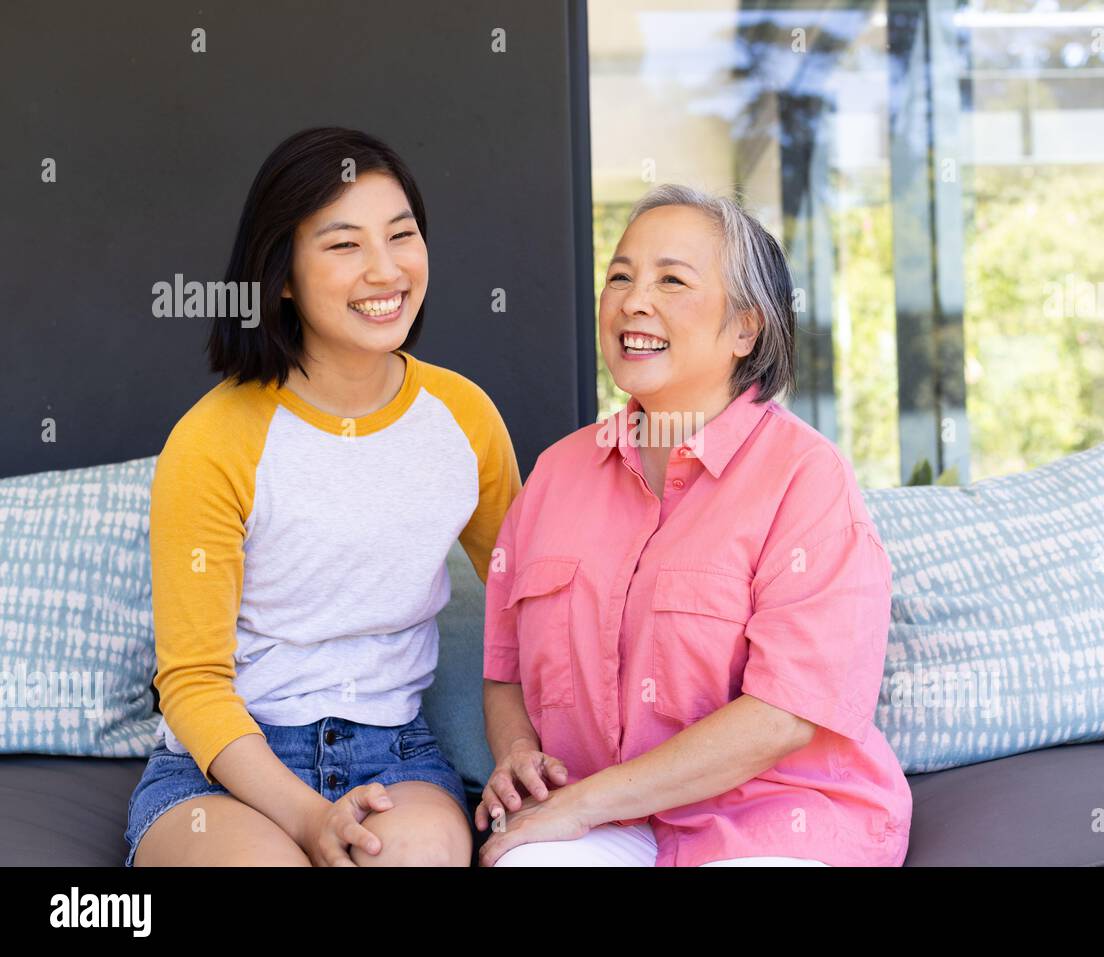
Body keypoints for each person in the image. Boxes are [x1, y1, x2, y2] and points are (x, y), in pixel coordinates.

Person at [477, 184, 911, 867]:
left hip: (775, 816)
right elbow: (503, 670)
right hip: (606, 816)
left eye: (671, 280)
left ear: (746, 328)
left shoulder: (806, 477)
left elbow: (784, 713)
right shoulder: (557, 475)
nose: (633, 299)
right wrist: (518, 757)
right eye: (620, 276)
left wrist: (587, 802)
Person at [124, 127, 519, 866]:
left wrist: (527, 747)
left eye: (401, 236)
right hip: (227, 767)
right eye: (344, 245)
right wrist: (307, 818)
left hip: (395, 755)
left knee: (421, 855)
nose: (385, 269)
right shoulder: (214, 438)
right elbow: (192, 682)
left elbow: (533, 598)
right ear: (281, 276)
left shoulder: (463, 418)